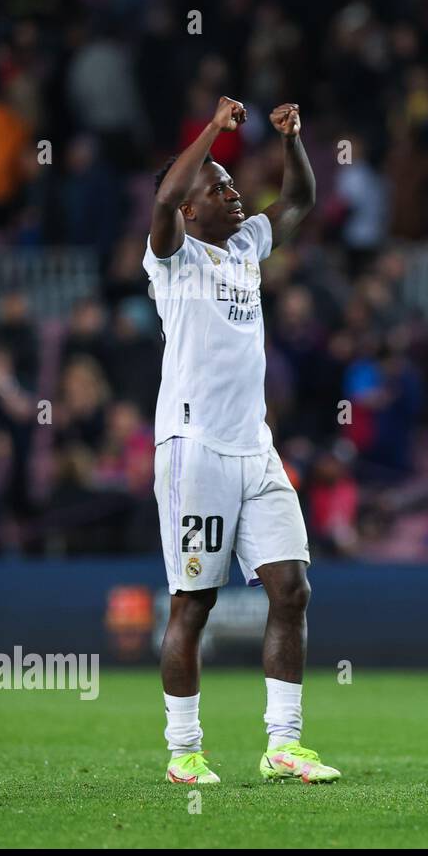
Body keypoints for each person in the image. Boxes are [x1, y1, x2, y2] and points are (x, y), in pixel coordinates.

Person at [144, 95, 338, 784]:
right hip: (194, 448)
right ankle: (184, 751)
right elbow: (166, 195)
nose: (232, 192)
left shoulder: (247, 245)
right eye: (217, 187)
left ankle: (282, 744)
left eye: (231, 182)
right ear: (191, 210)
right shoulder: (172, 256)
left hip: (255, 448)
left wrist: (292, 139)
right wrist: (213, 130)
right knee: (193, 602)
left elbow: (301, 197)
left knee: (291, 588)